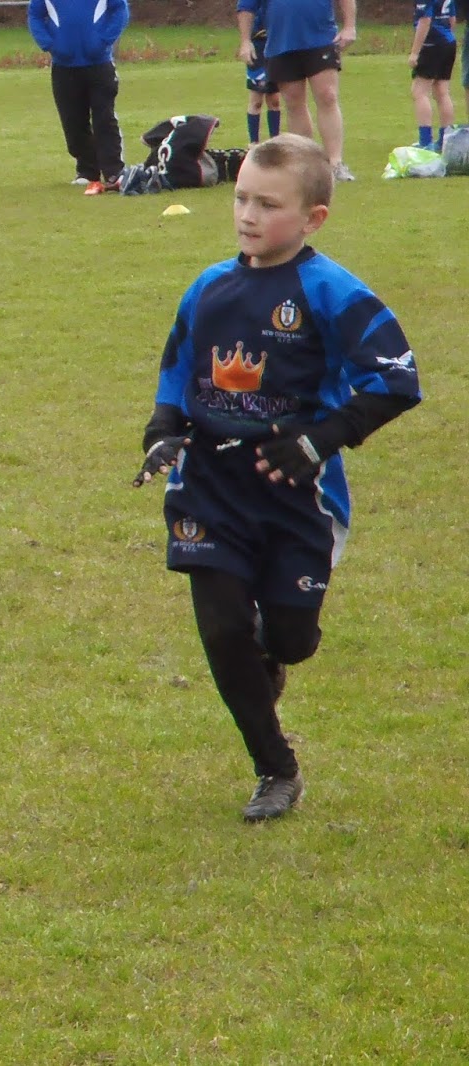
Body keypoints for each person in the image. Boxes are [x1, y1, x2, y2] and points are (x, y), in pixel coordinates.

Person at [133, 135, 421, 822]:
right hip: (210, 484)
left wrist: (320, 440)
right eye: (240, 199)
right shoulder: (209, 288)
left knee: (287, 638)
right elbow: (177, 371)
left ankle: (280, 649)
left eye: (267, 204)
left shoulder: (331, 291)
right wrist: (163, 430)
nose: (247, 216)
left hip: (298, 498)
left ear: (313, 218)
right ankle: (276, 768)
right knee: (222, 626)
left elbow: (398, 380)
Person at [236, 0, 358, 181]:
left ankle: (335, 163)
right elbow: (246, 7)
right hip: (281, 43)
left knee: (328, 96)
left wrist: (349, 26)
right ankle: (307, 166)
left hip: (321, 39)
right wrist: (246, 41)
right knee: (294, 103)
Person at [27, 0, 129, 194]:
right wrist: (49, 44)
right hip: (63, 67)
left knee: (104, 118)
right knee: (72, 122)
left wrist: (104, 40)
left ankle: (114, 171)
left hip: (99, 64)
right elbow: (35, 15)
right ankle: (87, 171)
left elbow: (119, 9)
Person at [407, 0, 457, 149]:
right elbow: (452, 19)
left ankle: (425, 141)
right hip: (448, 42)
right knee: (442, 91)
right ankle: (446, 142)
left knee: (419, 91)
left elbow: (425, 20)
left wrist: (415, 52)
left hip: (431, 44)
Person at [245, 3, 283, 144]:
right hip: (258, 49)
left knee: (274, 100)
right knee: (256, 100)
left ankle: (275, 141)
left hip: (276, 47)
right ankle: (253, 143)